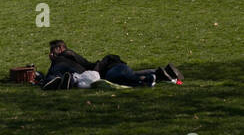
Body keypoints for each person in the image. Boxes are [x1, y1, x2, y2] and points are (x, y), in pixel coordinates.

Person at [37, 39, 183, 89]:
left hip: (112, 69)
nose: (50, 54)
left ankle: (149, 78)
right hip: (116, 65)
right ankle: (160, 73)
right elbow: (87, 65)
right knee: (129, 75)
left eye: (53, 50)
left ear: (61, 48)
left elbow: (87, 65)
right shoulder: (69, 57)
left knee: (123, 80)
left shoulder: (65, 55)